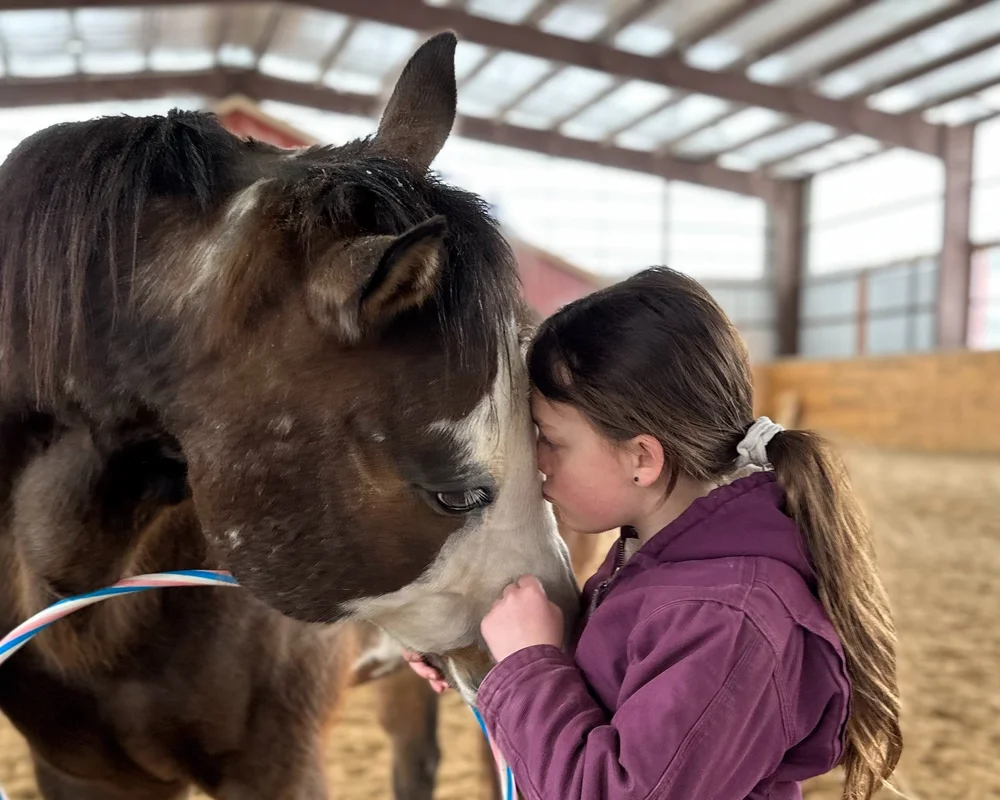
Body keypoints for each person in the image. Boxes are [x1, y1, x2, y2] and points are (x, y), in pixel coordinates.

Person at [406, 266, 902, 800]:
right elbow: (611, 697)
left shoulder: (727, 618)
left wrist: (528, 666)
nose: (536, 464)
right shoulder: (657, 561)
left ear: (642, 458)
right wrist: (493, 655)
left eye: (550, 439)